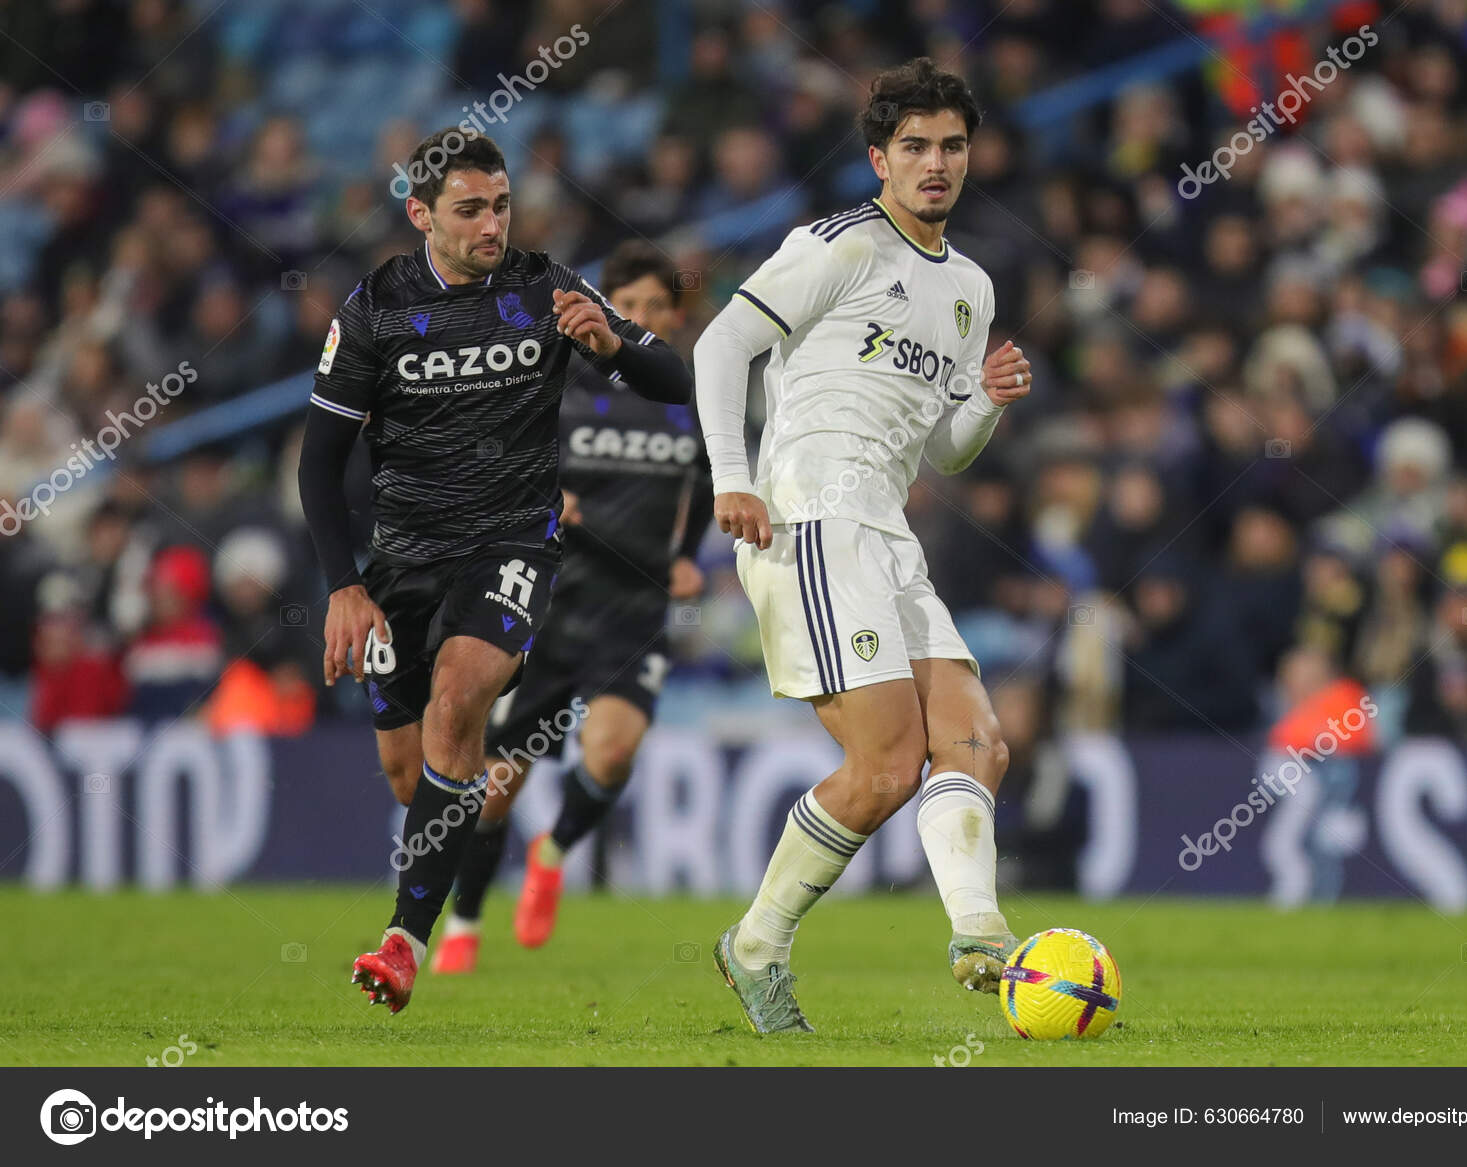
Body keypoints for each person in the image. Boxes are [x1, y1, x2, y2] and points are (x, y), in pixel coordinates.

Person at [296, 130, 690, 1014]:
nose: (491, 224)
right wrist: (344, 586)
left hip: (513, 545)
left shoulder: (547, 286)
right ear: (421, 214)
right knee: (416, 776)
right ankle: (459, 880)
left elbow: (677, 380)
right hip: (404, 560)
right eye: (470, 209)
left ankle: (403, 940)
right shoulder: (374, 309)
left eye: (501, 205)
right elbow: (319, 464)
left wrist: (615, 346)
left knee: (459, 696)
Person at [692, 58, 1032, 1033]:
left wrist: (988, 404)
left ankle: (979, 938)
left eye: (952, 146)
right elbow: (722, 348)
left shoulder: (967, 287)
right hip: (807, 518)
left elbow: (948, 450)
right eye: (915, 147)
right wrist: (731, 477)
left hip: (888, 533)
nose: (935, 163)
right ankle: (756, 944)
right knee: (886, 765)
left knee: (976, 739)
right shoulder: (838, 244)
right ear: (879, 158)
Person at [431, 241, 711, 973]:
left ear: (672, 318)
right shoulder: (564, 385)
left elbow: (715, 482)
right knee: (496, 784)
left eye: (656, 307)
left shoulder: (687, 396)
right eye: (631, 305)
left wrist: (688, 554)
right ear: (603, 308)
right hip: (548, 604)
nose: (643, 316)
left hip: (635, 607)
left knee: (613, 752)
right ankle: (462, 920)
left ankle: (551, 851)